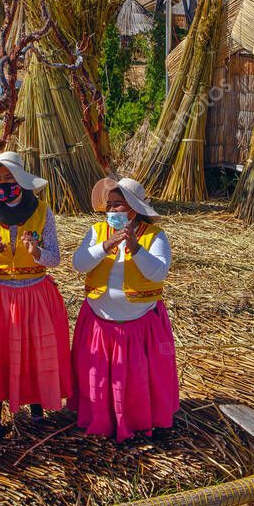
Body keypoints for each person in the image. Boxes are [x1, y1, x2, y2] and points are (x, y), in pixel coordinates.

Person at [0, 151, 71, 443]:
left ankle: (37, 416)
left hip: (35, 293)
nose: (2, 184)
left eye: (8, 178)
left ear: (21, 180)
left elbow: (55, 259)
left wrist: (37, 253)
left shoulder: (42, 211)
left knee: (35, 353)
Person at [70, 177, 179, 442]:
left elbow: (158, 272)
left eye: (118, 205)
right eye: (109, 205)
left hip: (139, 326)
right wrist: (106, 246)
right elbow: (79, 263)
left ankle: (141, 422)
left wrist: (135, 248)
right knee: (99, 378)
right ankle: (101, 420)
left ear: (134, 208)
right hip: (100, 323)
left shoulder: (154, 236)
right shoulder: (97, 232)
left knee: (139, 380)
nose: (112, 211)